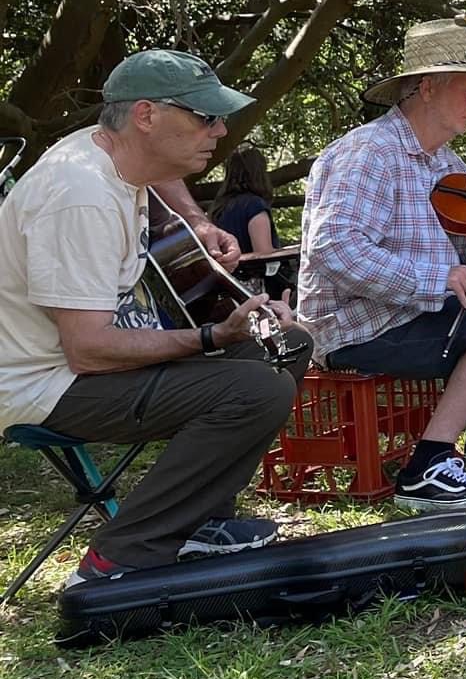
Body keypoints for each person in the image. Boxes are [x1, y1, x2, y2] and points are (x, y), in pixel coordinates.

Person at [0, 50, 302, 585]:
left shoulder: (112, 155)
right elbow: (88, 349)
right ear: (146, 115)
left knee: (287, 342)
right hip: (43, 384)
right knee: (255, 389)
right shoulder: (80, 197)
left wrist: (196, 222)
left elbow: (161, 177)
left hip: (82, 364)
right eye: (205, 117)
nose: (221, 129)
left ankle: (202, 520)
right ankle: (120, 557)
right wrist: (211, 336)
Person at [297, 19, 466, 511]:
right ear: (427, 87)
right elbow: (334, 250)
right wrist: (436, 278)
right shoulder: (368, 154)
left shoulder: (444, 161)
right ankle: (428, 464)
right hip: (355, 325)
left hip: (405, 312)